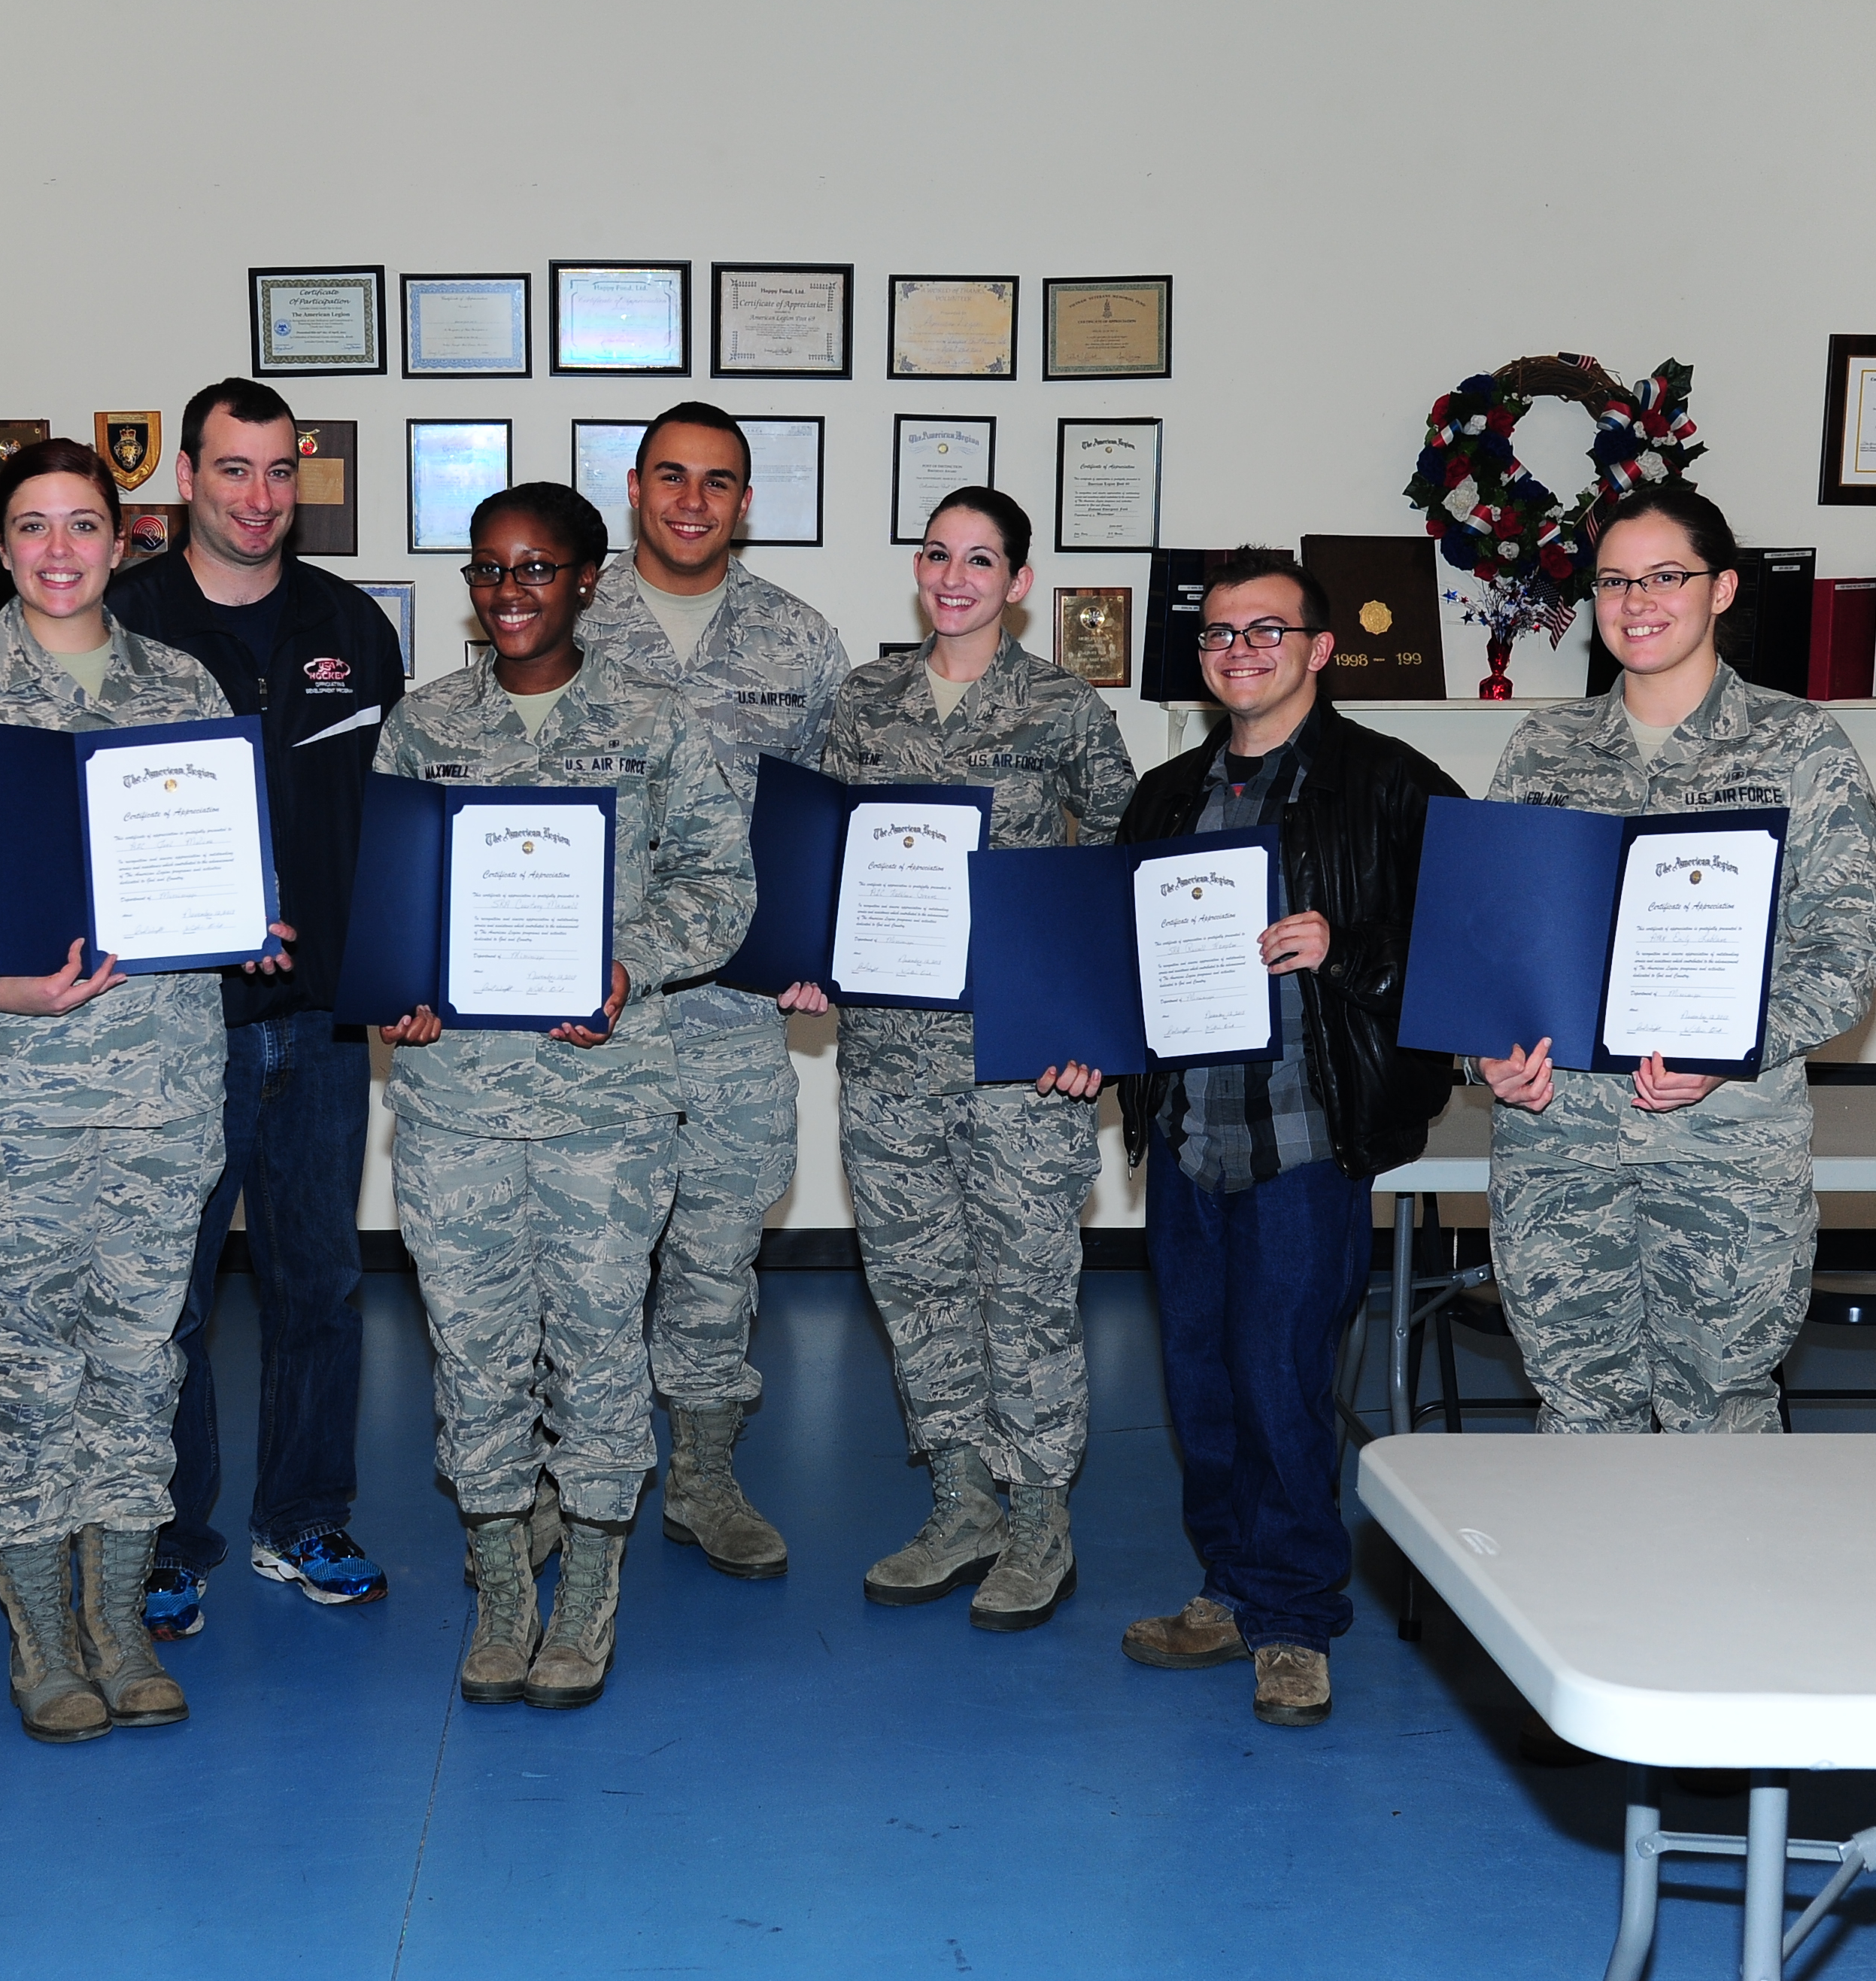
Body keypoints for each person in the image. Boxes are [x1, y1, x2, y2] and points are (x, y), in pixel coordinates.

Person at [0, 436, 285, 1743]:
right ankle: (43, 1635)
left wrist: (244, 918)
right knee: (31, 1369)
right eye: (30, 526)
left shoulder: (181, 686)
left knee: (141, 1363)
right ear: (0, 543)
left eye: (80, 525)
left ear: (122, 537)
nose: (55, 550)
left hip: (158, 1090)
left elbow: (208, 873)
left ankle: (121, 1619)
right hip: (9, 1105)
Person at [369, 482, 754, 1710]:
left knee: (597, 1356)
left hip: (605, 1101)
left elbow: (721, 887)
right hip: (456, 1103)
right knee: (475, 1356)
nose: (509, 593)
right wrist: (399, 985)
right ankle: (499, 1593)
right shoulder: (422, 726)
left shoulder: (655, 723)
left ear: (588, 579)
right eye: (489, 571)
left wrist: (631, 959)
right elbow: (393, 899)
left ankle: (585, 1599)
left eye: (536, 569)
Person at [1113, 552, 1462, 1727]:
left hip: (1308, 1140)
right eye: (1217, 635)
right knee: (1199, 1382)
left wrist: (1346, 946)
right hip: (1190, 1132)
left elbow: (1466, 959)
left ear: (1320, 649)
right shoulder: (1165, 797)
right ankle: (1228, 1584)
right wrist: (1088, 1042)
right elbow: (1122, 964)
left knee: (1281, 1378)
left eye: (1268, 631)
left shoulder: (1397, 785)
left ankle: (1296, 1621)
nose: (1240, 651)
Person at [779, 487, 1136, 1631]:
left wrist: (1098, 1030)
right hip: (888, 1053)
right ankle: (960, 1500)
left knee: (1026, 1290)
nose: (955, 577)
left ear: (1019, 582)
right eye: (937, 554)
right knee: (918, 1286)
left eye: (981, 560)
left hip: (1021, 1059)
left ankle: (1041, 1520)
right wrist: (806, 955)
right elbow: (823, 854)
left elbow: (1121, 872)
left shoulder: (1063, 707)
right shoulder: (865, 699)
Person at [1475, 485, 1876, 1437]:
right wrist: (1485, 1051)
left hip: (1723, 1151)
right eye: (1613, 580)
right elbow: (1492, 939)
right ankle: (1576, 1597)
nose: (1636, 601)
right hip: (1556, 1148)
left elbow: (1845, 948)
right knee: (1580, 1415)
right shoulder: (1542, 750)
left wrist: (1728, 1045)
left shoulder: (1798, 746)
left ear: (1722, 589)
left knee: (1722, 1419)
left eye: (1666, 576)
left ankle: (1730, 1596)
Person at [102, 378, 405, 1631]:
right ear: (186, 475)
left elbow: (392, 821)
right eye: (233, 470)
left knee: (319, 1283)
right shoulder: (124, 621)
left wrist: (395, 973)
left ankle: (304, 1519)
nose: (259, 498)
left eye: (281, 472)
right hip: (176, 1022)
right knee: (167, 1286)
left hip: (326, 1019)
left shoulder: (352, 624)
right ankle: (168, 1535)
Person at [573, 401, 849, 1579]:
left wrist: (824, 943)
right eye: (672, 477)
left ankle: (700, 1474)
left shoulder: (800, 642)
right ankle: (577, 1478)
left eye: (720, 482)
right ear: (634, 486)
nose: (694, 501)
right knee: (582, 1257)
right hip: (592, 1009)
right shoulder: (563, 616)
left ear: (747, 501)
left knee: (716, 1250)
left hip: (736, 1011)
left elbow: (837, 813)